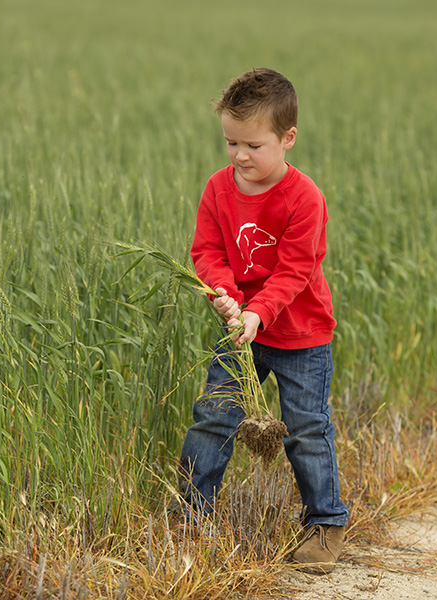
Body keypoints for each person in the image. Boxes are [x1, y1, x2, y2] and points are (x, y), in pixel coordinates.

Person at [178, 67, 349, 574]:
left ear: (287, 138)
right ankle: (191, 515)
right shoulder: (218, 190)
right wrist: (227, 298)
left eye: (253, 145)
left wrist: (258, 311)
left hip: (300, 336)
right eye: (231, 143)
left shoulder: (304, 198)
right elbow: (206, 252)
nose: (239, 156)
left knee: (307, 430)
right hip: (240, 331)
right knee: (214, 415)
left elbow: (296, 270)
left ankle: (325, 522)